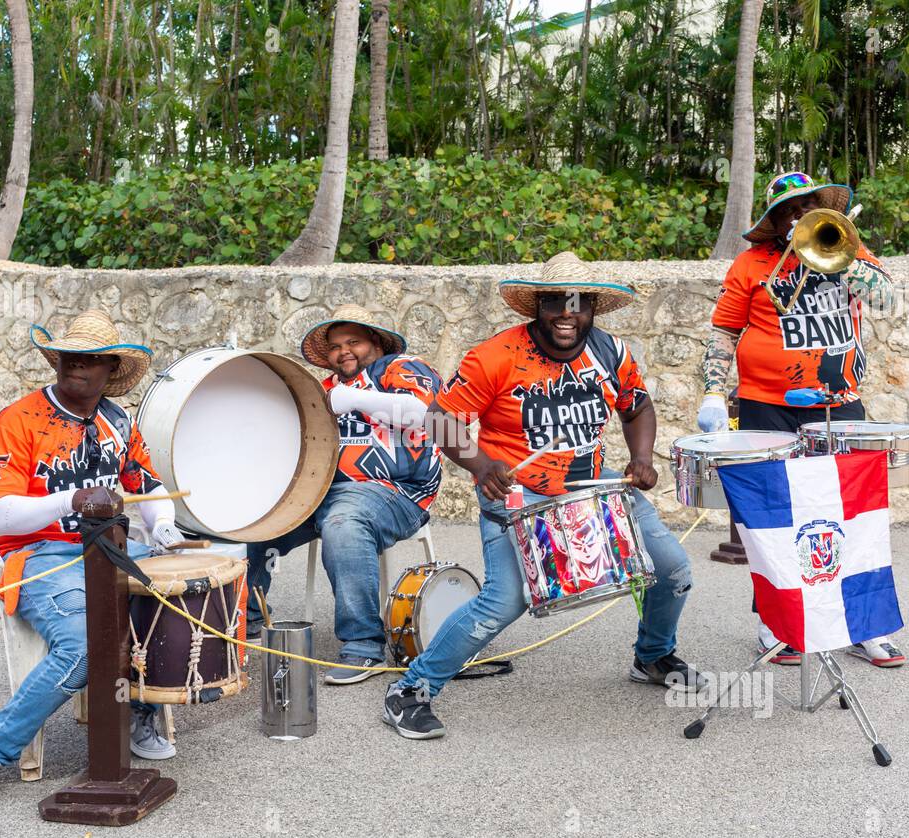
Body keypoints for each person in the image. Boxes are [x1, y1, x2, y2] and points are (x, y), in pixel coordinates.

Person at [382, 252, 705, 740]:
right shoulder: (494, 357)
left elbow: (637, 406)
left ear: (593, 307)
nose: (566, 314)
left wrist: (642, 457)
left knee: (673, 569)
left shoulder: (611, 352)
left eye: (578, 304)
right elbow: (440, 420)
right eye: (556, 302)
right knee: (502, 602)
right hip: (517, 492)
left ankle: (653, 656)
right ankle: (412, 690)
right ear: (538, 306)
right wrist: (481, 464)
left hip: (595, 484)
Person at [0, 310, 185, 814]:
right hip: (39, 555)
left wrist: (162, 524)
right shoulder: (17, 420)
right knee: (82, 646)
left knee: (177, 597)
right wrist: (71, 500)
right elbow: (1, 514)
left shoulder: (118, 421)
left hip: (111, 549)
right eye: (70, 356)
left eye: (91, 359)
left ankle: (139, 709)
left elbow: (150, 485)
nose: (78, 364)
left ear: (109, 371)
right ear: (57, 361)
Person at [698, 170, 905, 668]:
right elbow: (724, 332)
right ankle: (780, 626)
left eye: (808, 206)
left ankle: (864, 626)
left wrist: (843, 258)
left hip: (839, 403)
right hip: (766, 404)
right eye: (789, 211)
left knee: (854, 517)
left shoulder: (851, 251)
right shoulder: (752, 264)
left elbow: (890, 301)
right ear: (774, 220)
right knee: (772, 520)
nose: (799, 216)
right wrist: (711, 392)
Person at [246, 304, 444, 684]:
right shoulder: (323, 389)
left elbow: (424, 414)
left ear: (376, 342)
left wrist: (352, 400)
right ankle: (248, 618)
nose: (343, 352)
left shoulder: (400, 368)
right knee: (252, 520)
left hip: (396, 493)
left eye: (353, 341)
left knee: (344, 522)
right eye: (335, 347)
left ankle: (363, 647)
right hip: (319, 491)